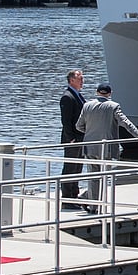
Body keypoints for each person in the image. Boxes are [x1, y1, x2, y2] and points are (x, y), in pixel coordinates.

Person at [75, 83, 138, 213]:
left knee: (93, 177)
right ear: (110, 93)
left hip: (90, 147)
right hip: (106, 149)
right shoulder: (113, 106)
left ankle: (89, 201)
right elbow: (126, 123)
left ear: (97, 92)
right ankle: (92, 204)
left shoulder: (87, 105)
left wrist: (89, 133)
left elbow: (78, 126)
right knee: (104, 177)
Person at [58, 69, 86, 209]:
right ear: (71, 80)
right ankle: (67, 199)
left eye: (82, 78)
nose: (82, 80)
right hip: (73, 140)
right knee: (70, 168)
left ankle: (74, 196)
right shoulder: (67, 97)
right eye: (79, 78)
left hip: (81, 138)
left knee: (77, 168)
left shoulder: (78, 95)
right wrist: (71, 139)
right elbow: (66, 121)